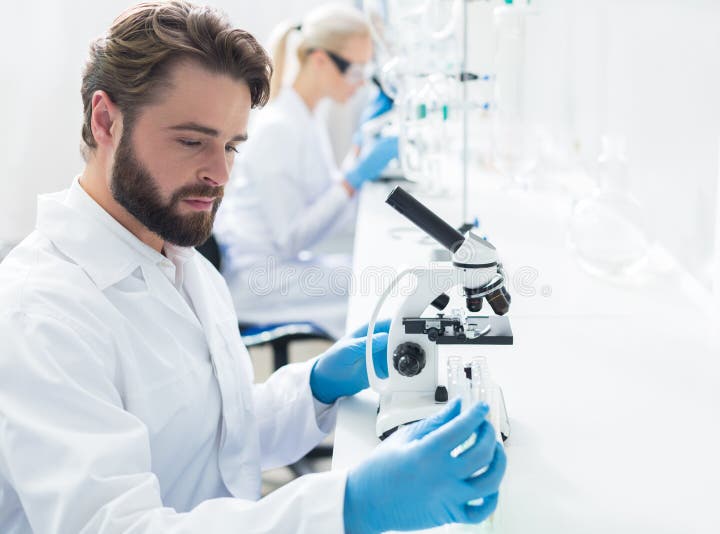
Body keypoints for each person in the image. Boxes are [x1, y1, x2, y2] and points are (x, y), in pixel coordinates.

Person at [0, 2, 506, 533]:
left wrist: (316, 386)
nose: (220, 173)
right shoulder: (41, 315)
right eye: (192, 141)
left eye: (232, 145)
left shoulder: (181, 262)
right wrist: (348, 506)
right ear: (106, 120)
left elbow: (214, 435)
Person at [213, 4, 398, 338]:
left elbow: (322, 201)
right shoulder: (279, 129)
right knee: (378, 289)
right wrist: (353, 178)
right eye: (355, 71)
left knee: (378, 278)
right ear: (320, 60)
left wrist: (358, 150)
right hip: (260, 280)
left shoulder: (307, 117)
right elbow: (291, 238)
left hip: (284, 267)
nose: (359, 84)